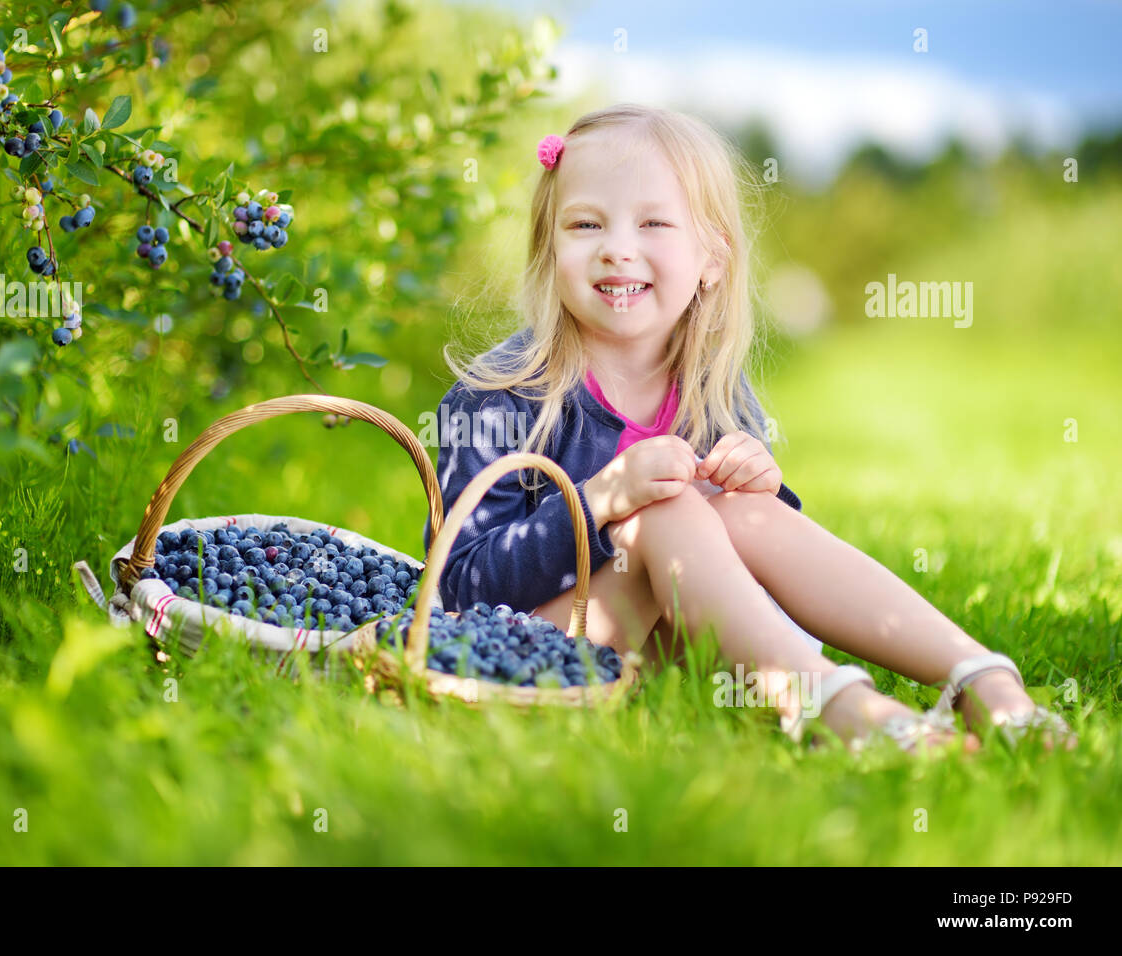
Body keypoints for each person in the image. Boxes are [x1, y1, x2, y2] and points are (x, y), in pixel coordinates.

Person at [422, 103, 1076, 754]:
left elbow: (755, 563)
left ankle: (981, 678)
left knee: (737, 509)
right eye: (586, 224)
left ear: (711, 259)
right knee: (667, 508)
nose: (618, 248)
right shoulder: (499, 396)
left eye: (654, 223)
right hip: (530, 647)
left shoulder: (712, 392)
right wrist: (600, 500)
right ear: (551, 247)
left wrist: (763, 488)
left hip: (679, 640)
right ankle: (828, 703)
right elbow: (454, 587)